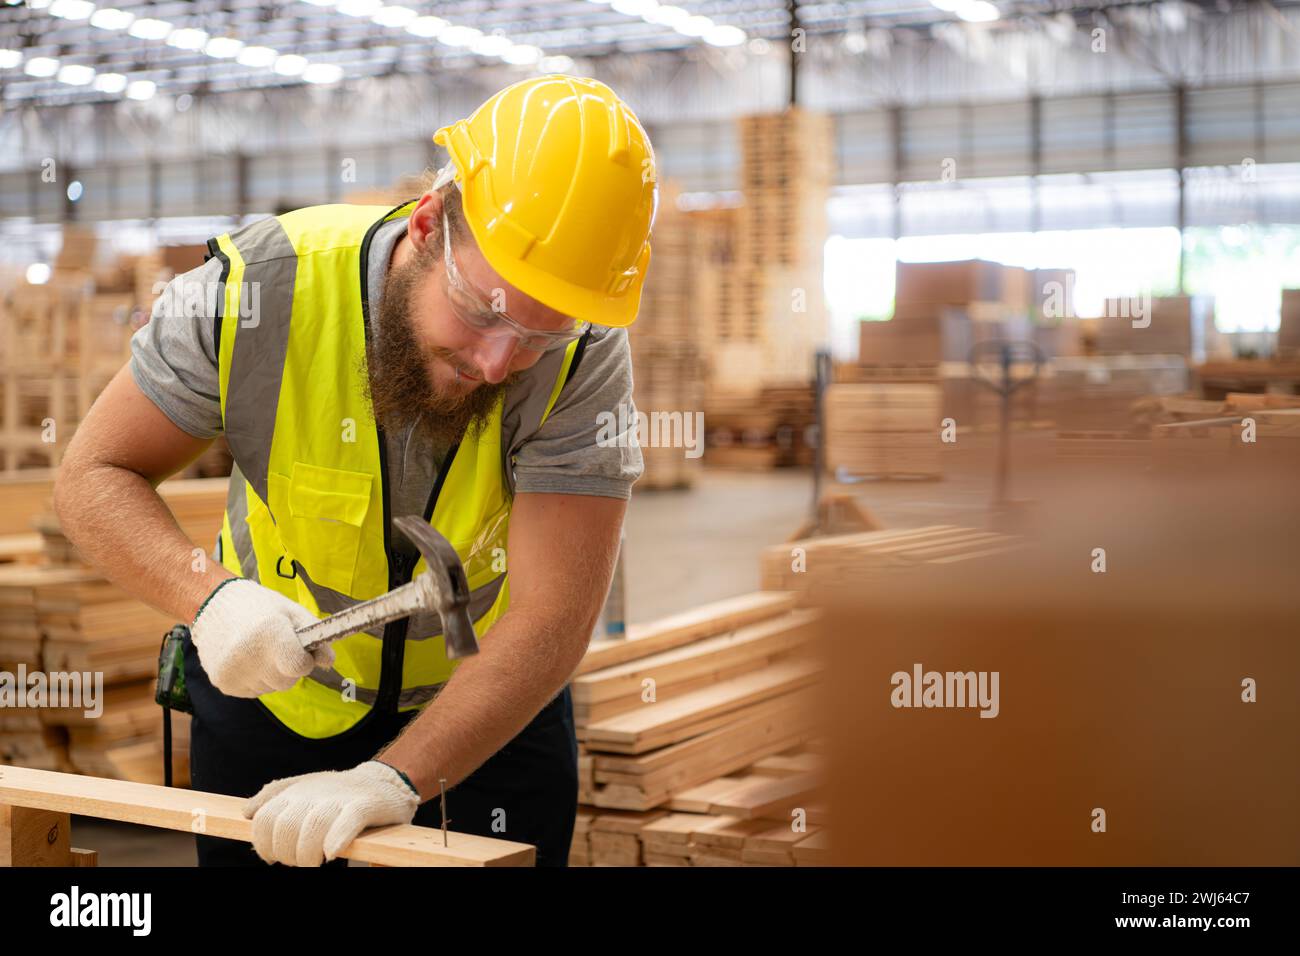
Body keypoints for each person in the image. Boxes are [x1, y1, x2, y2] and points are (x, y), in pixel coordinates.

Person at [53, 74, 657, 867]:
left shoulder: (582, 354)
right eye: (483, 311)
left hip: (485, 707)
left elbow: (553, 617)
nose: (498, 361)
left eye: (538, 336)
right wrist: (210, 600)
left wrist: (393, 778)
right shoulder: (260, 290)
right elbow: (94, 472)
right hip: (275, 696)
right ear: (429, 223)